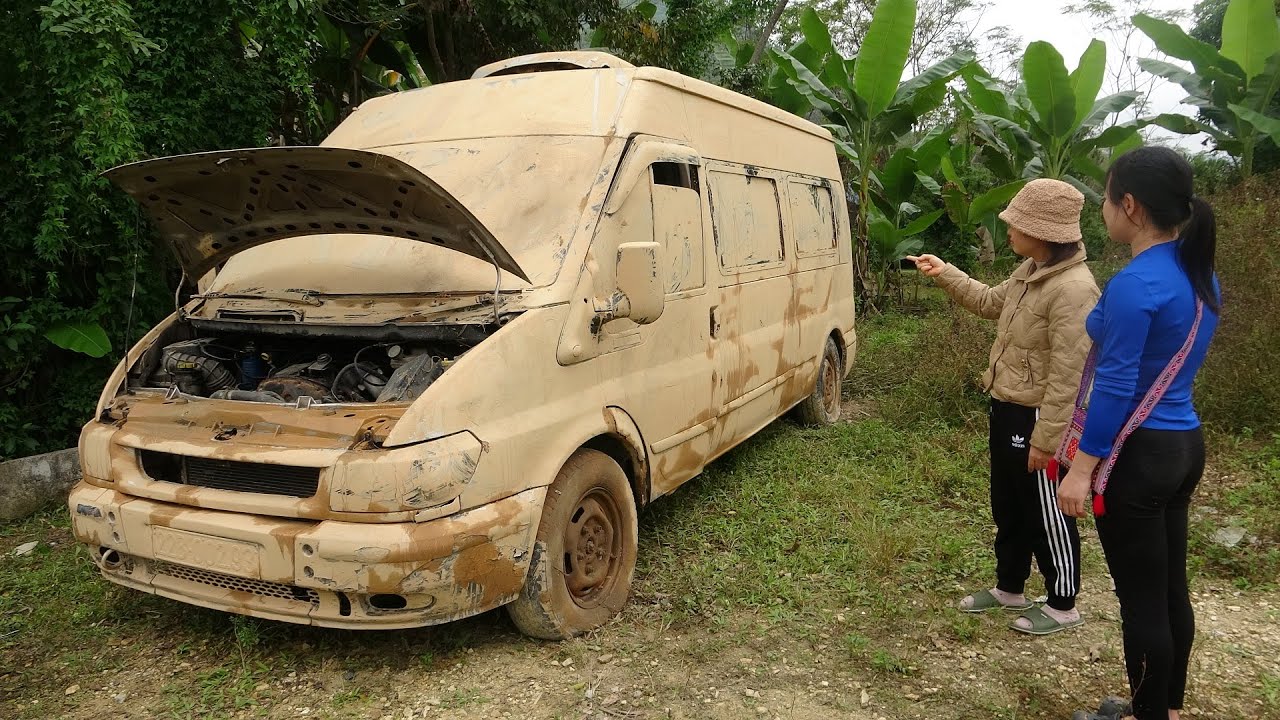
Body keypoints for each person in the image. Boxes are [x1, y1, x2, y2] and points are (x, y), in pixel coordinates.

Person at [1059, 147, 1220, 720]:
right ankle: (1164, 707)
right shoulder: (1198, 273)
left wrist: (1081, 469)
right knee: (1170, 585)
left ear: (1129, 205)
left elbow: (1115, 386)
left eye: (1105, 198)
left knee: (1142, 601)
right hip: (1182, 444)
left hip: (1137, 455)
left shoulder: (1134, 285)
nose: (1102, 210)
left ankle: (1147, 714)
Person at [908, 178, 1099, 635]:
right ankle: (1009, 585)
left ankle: (1062, 601)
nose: (1007, 227)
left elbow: (1069, 377)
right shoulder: (1030, 271)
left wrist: (1046, 440)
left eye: (1017, 222)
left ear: (1044, 232)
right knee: (1009, 502)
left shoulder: (1074, 290)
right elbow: (990, 302)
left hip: (1037, 416)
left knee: (1044, 508)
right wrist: (946, 272)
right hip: (1006, 405)